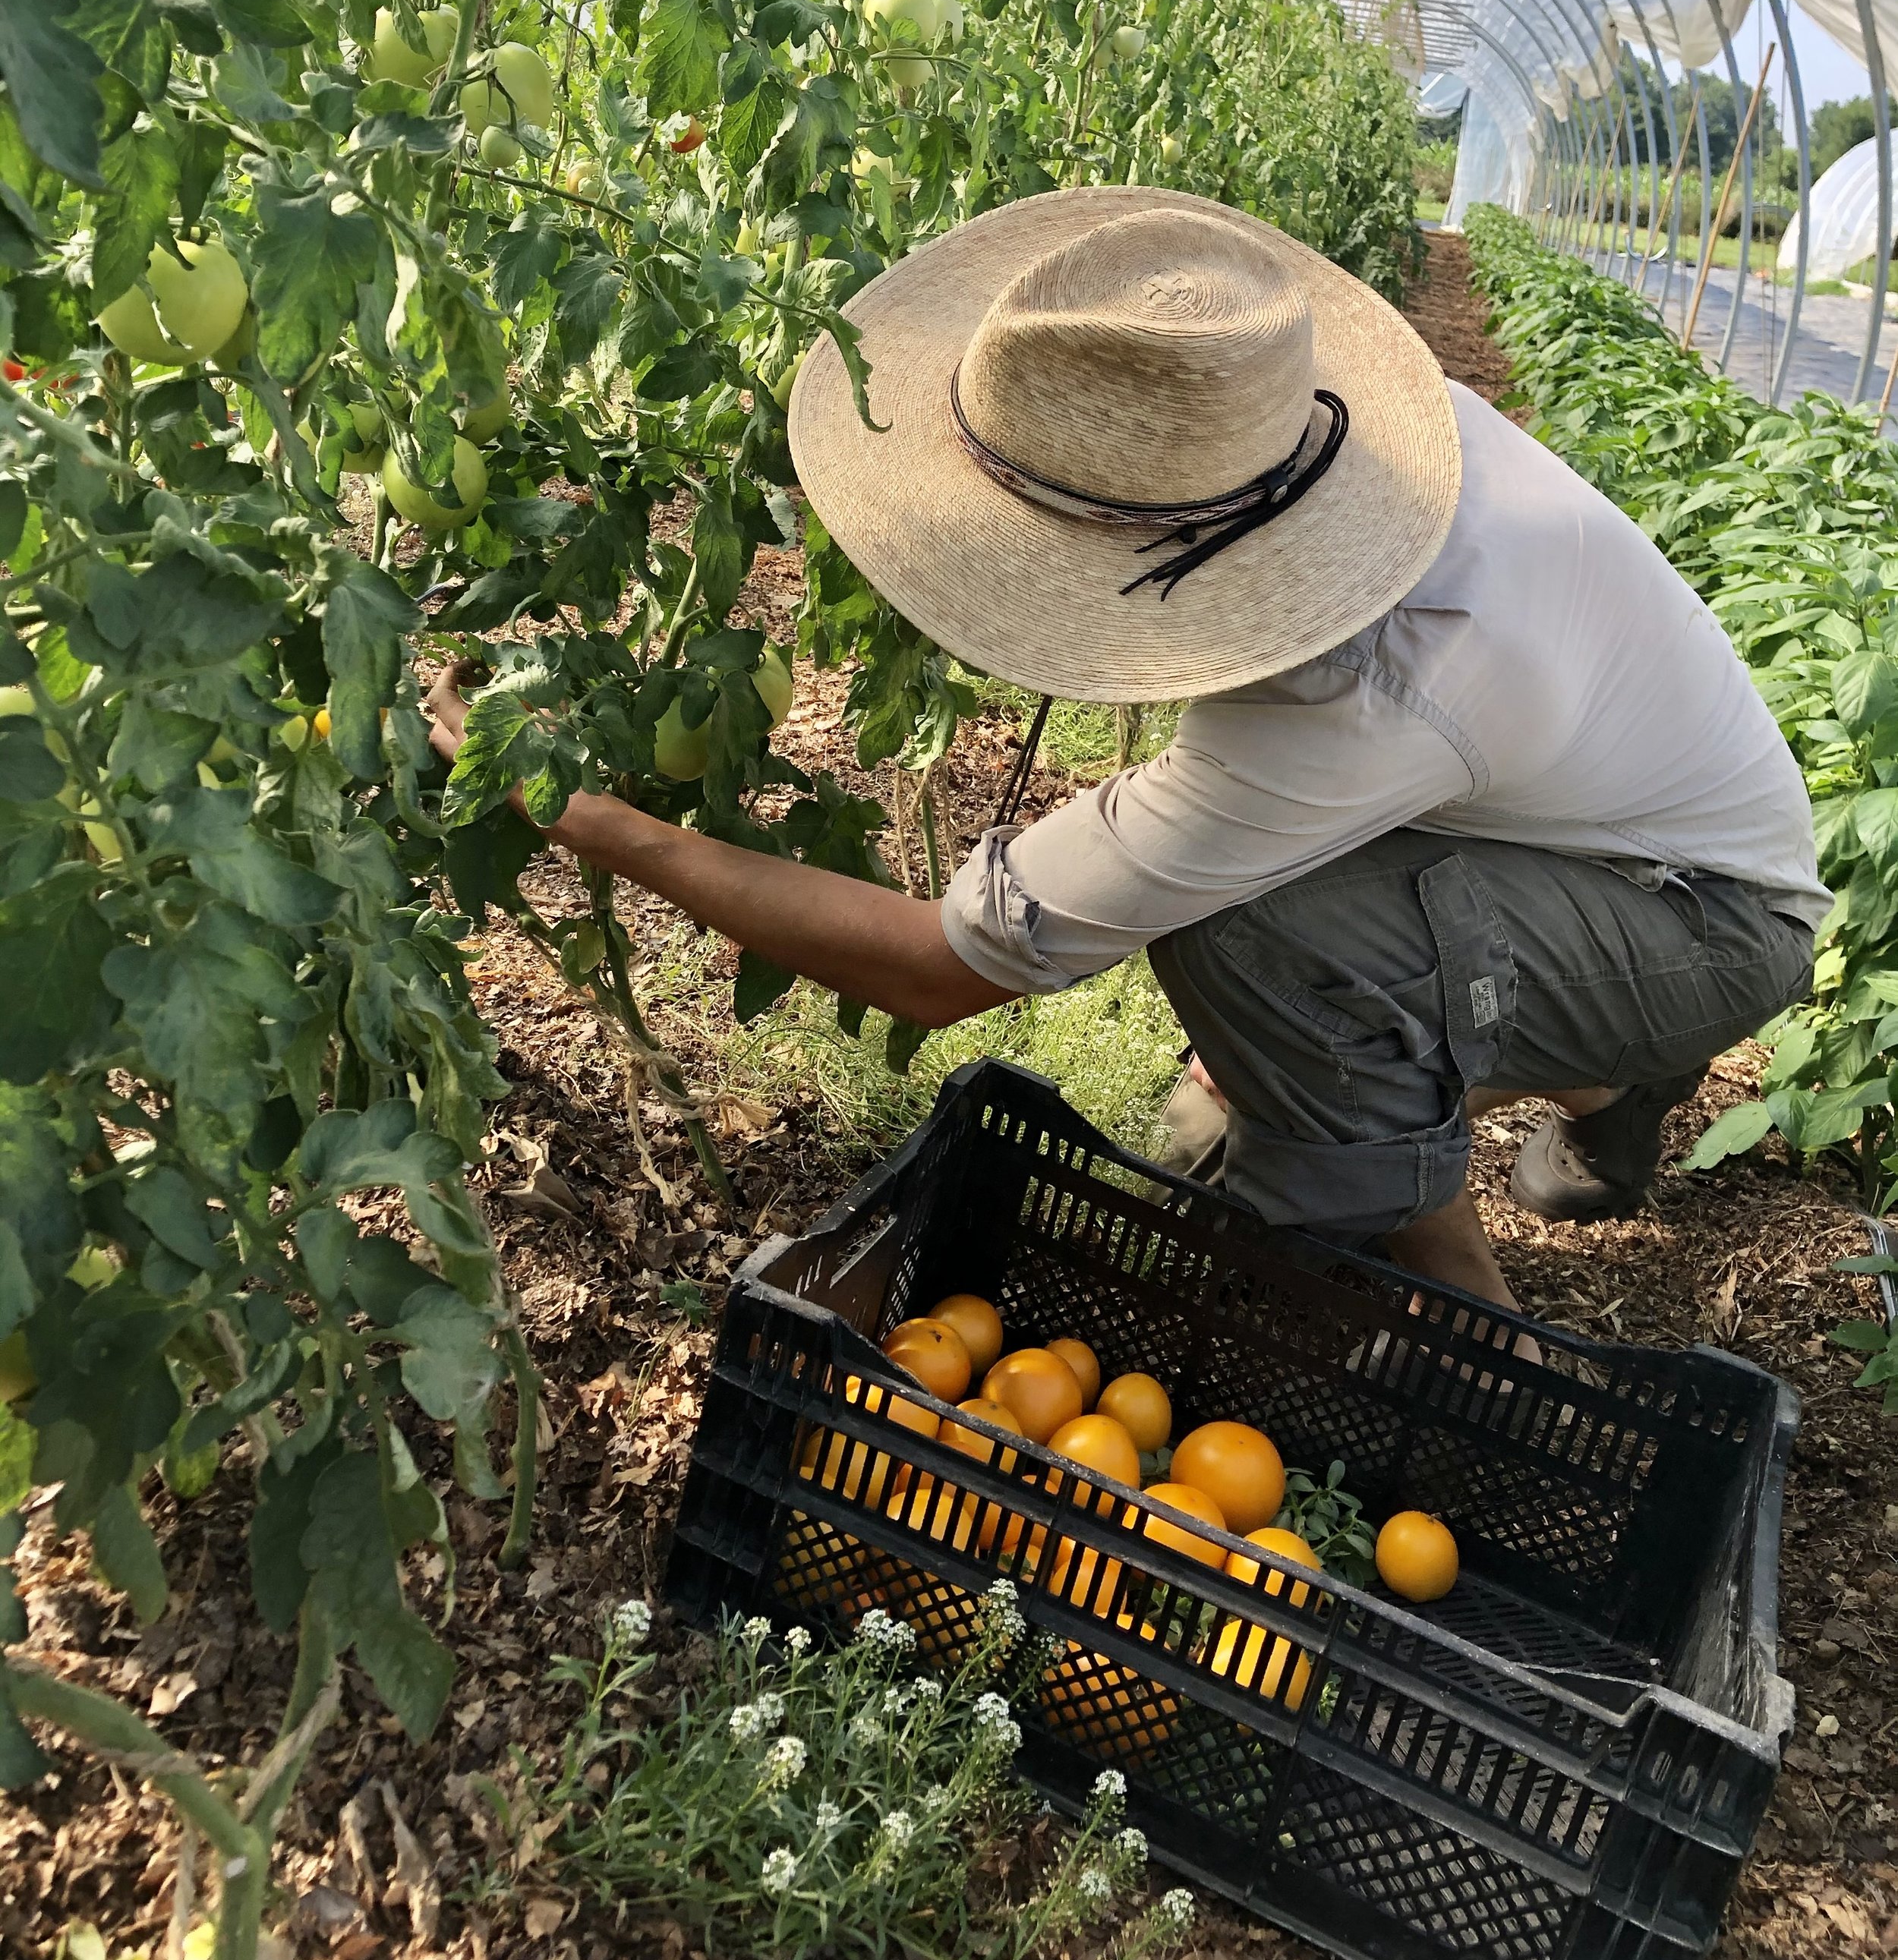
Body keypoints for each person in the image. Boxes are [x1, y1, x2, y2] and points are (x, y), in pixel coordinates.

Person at [427, 190, 1824, 1319]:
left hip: (1704, 916)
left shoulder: (1379, 681)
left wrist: (609, 828)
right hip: (1571, 818)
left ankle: (1458, 1302)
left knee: (1253, 939)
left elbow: (935, 971)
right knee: (1260, 1029)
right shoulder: (1330, 441)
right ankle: (1590, 1085)